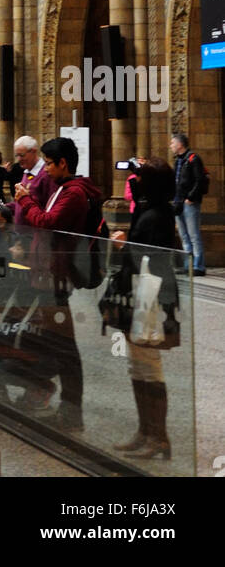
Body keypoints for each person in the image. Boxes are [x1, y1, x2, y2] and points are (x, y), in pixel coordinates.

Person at [13, 136, 102, 432]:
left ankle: (71, 412)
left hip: (57, 277)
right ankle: (48, 396)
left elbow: (48, 222)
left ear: (63, 163)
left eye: (50, 164)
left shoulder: (74, 193)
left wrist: (25, 199)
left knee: (66, 349)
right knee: (54, 343)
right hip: (47, 274)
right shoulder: (63, 188)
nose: (46, 170)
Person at [110, 159, 178, 461]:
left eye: (141, 177)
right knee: (137, 365)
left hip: (150, 296)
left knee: (150, 366)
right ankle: (144, 431)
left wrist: (126, 246)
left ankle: (159, 436)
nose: (135, 180)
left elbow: (154, 256)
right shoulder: (147, 208)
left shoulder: (160, 214)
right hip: (137, 292)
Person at [170, 132, 207, 275]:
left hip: (189, 203)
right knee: (184, 235)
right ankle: (188, 265)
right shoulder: (178, 161)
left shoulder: (193, 159)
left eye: (173, 143)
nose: (171, 146)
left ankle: (198, 266)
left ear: (180, 144)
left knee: (193, 235)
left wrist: (190, 197)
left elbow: (200, 180)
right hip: (178, 202)